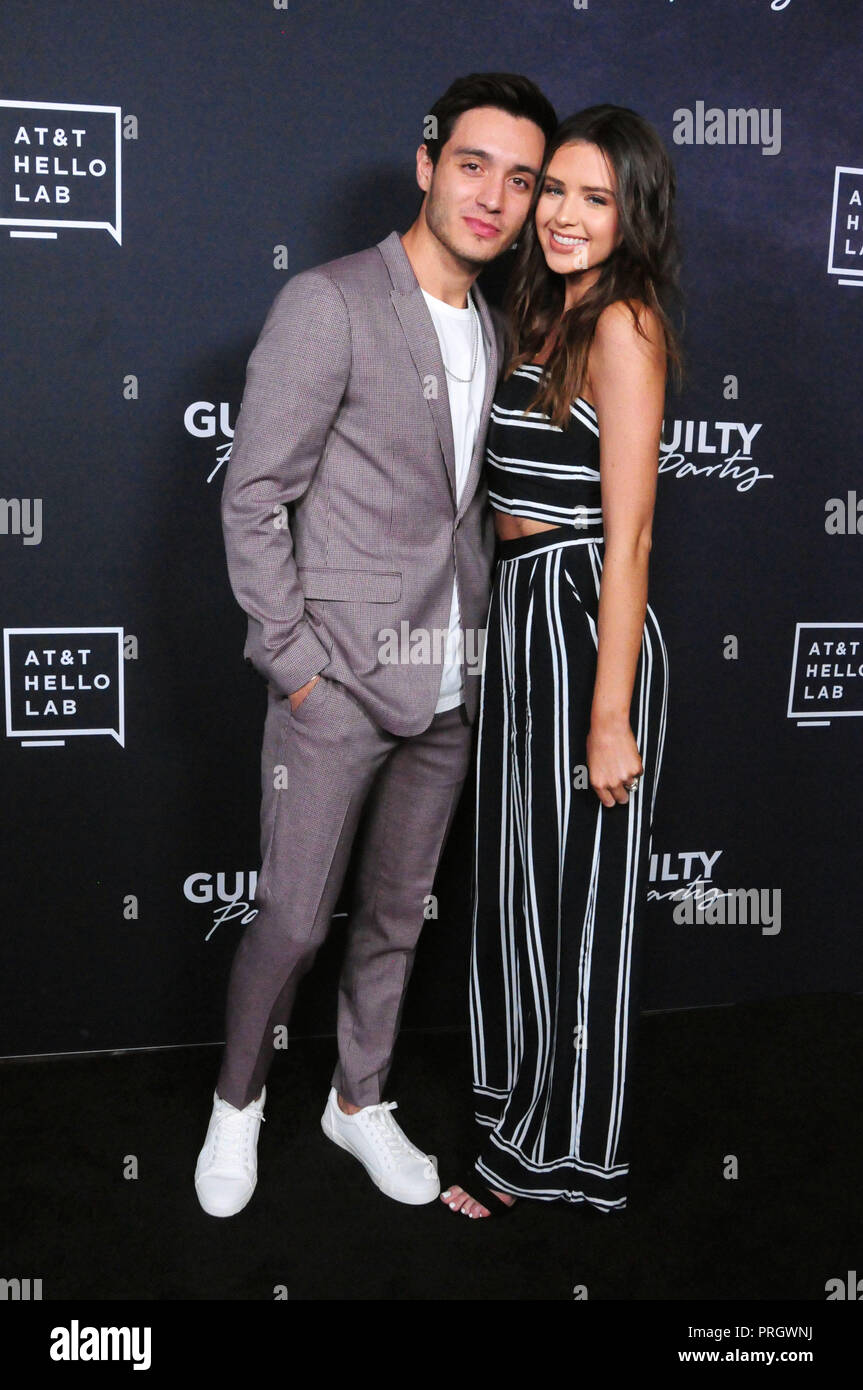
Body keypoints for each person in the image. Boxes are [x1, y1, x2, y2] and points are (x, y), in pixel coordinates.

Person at [194, 73, 557, 1217]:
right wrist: (293, 662)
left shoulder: (501, 328)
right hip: (334, 684)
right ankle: (237, 1103)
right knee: (296, 920)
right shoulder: (332, 301)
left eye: (521, 179)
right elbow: (252, 494)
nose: (494, 197)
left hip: (452, 685)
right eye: (472, 165)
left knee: (397, 917)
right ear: (425, 165)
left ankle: (356, 1102)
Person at [440, 105, 683, 1218]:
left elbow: (628, 535)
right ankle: (513, 1112)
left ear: (631, 214)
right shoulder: (538, 313)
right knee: (519, 894)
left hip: (584, 623)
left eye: (595, 198)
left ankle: (556, 1157)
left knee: (577, 908)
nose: (563, 216)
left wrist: (608, 714)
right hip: (520, 617)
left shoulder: (622, 325)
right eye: (555, 193)